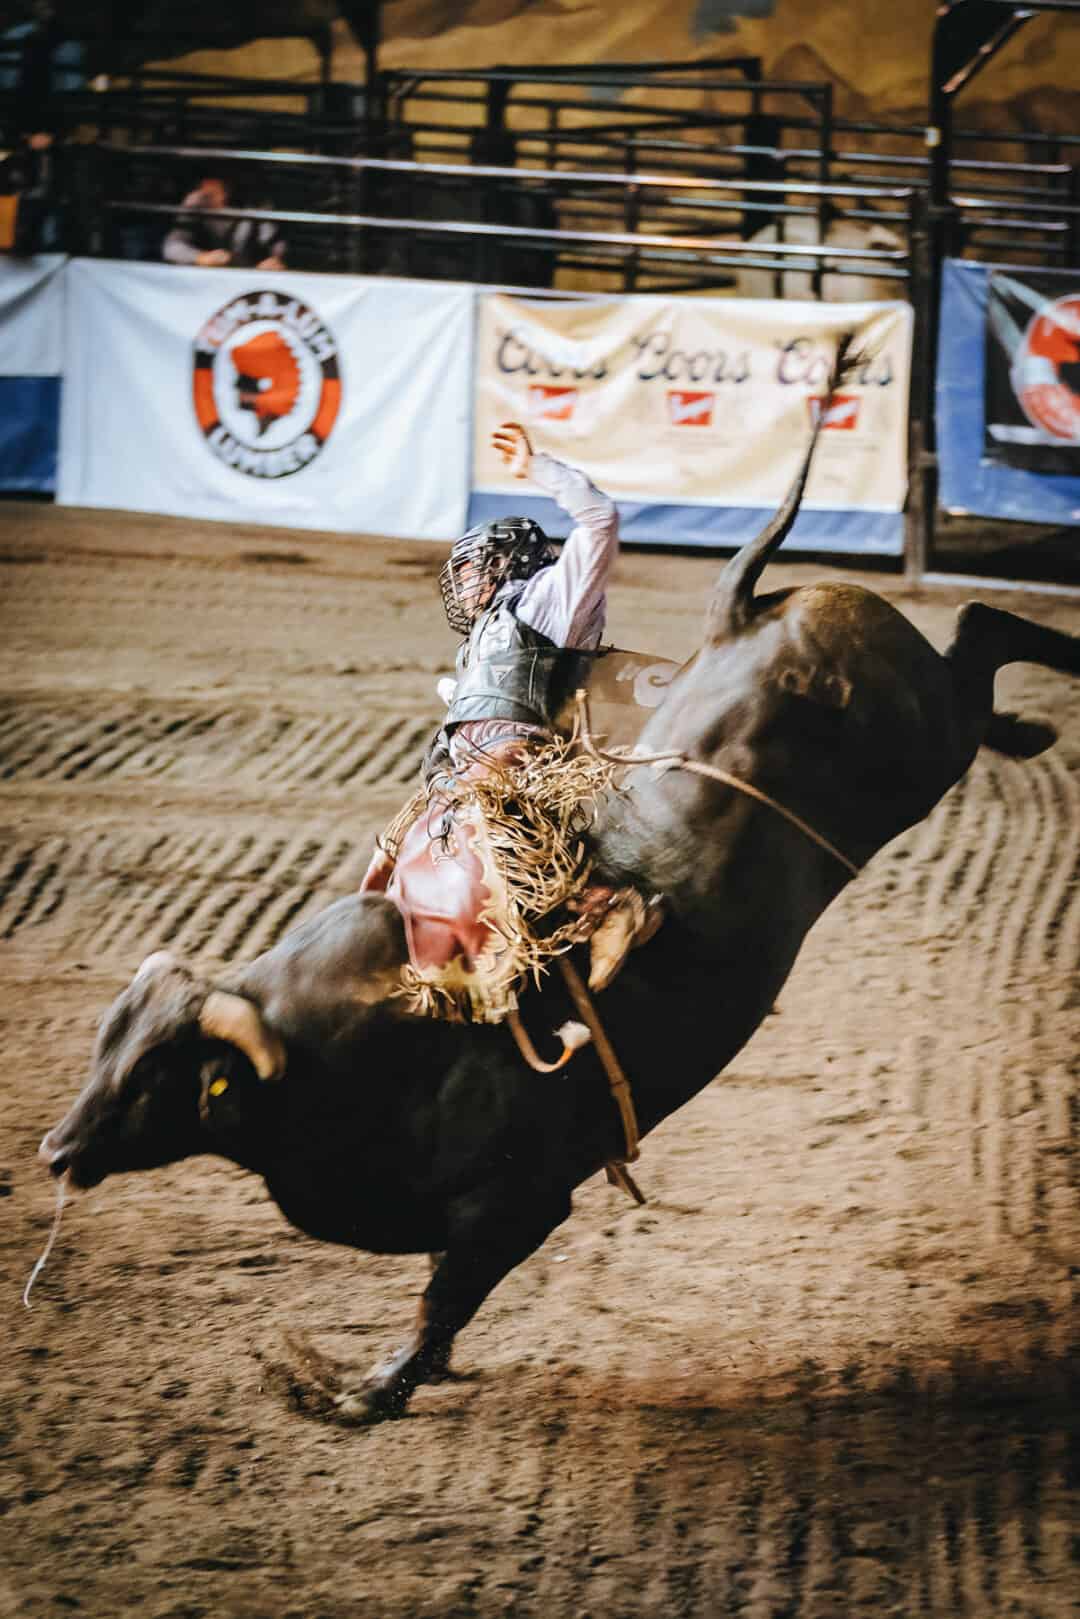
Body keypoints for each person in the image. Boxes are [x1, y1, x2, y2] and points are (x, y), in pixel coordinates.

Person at [362, 421, 645, 1020]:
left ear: (507, 563)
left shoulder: (547, 598)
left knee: (490, 834)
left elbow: (599, 520)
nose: (463, 586)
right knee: (392, 854)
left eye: (473, 570)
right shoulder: (480, 642)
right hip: (461, 766)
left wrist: (537, 468)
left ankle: (602, 905)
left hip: (518, 754)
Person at [162, 176, 286, 271]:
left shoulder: (256, 203)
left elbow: (275, 243)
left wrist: (275, 260)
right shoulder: (195, 202)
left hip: (244, 275)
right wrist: (201, 257)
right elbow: (171, 248)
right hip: (201, 277)